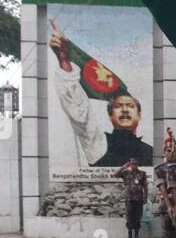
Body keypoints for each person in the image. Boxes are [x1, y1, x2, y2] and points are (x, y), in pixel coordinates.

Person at [48, 20, 153, 167]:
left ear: (139, 115)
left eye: (130, 106)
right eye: (118, 106)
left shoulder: (151, 152)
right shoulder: (99, 144)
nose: (124, 109)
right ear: (110, 115)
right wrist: (64, 61)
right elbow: (80, 114)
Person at [154, 133, 176, 238]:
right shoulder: (160, 168)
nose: (170, 152)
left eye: (173, 149)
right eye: (167, 150)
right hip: (166, 205)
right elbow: (162, 188)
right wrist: (170, 206)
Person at [115, 158, 148, 238]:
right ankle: (129, 236)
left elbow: (145, 186)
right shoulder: (126, 173)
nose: (133, 165)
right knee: (129, 218)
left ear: (137, 164)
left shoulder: (142, 174)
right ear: (130, 164)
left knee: (137, 217)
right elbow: (115, 175)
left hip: (139, 198)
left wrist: (145, 197)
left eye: (135, 164)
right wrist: (123, 167)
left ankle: (136, 236)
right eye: (132, 164)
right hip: (129, 198)